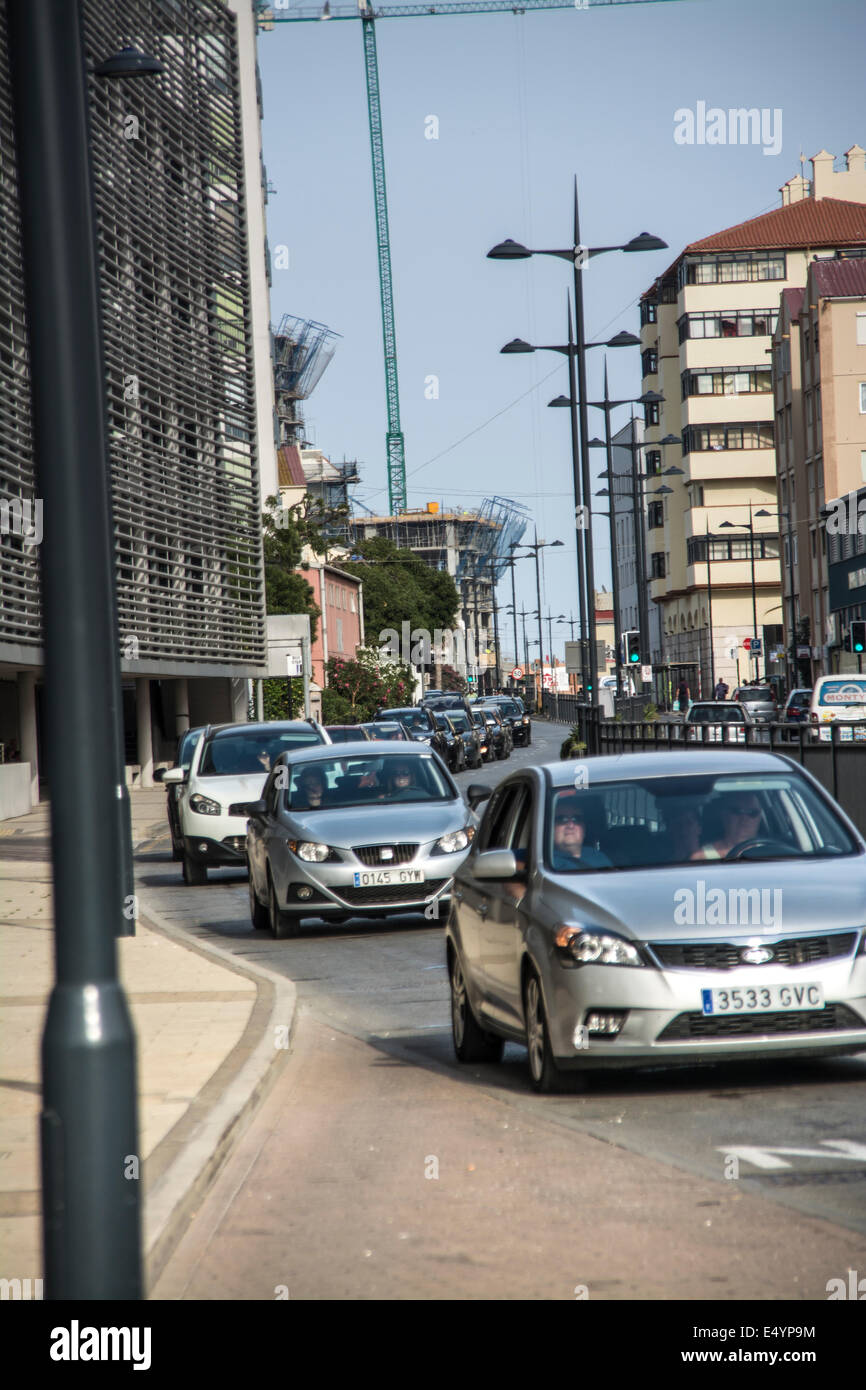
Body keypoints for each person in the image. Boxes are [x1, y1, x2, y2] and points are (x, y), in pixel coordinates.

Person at [550, 793, 611, 871]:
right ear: (551, 828)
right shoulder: (547, 863)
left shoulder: (598, 857)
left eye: (576, 819)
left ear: (584, 829)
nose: (570, 825)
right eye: (562, 819)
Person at [692, 794, 764, 860]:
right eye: (737, 811)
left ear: (760, 818)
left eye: (752, 813)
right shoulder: (701, 856)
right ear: (724, 815)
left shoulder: (769, 850)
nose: (744, 819)